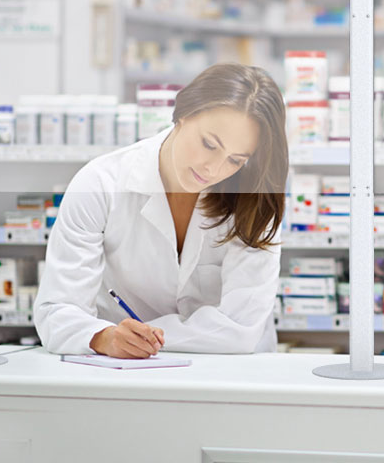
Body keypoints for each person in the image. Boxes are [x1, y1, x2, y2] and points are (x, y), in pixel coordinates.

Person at [34, 63, 288, 358]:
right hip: (128, 370)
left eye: (235, 160)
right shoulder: (100, 184)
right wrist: (103, 337)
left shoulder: (254, 200)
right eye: (209, 144)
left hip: (231, 372)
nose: (214, 168)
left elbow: (240, 330)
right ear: (183, 114)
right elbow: (58, 312)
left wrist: (142, 335)